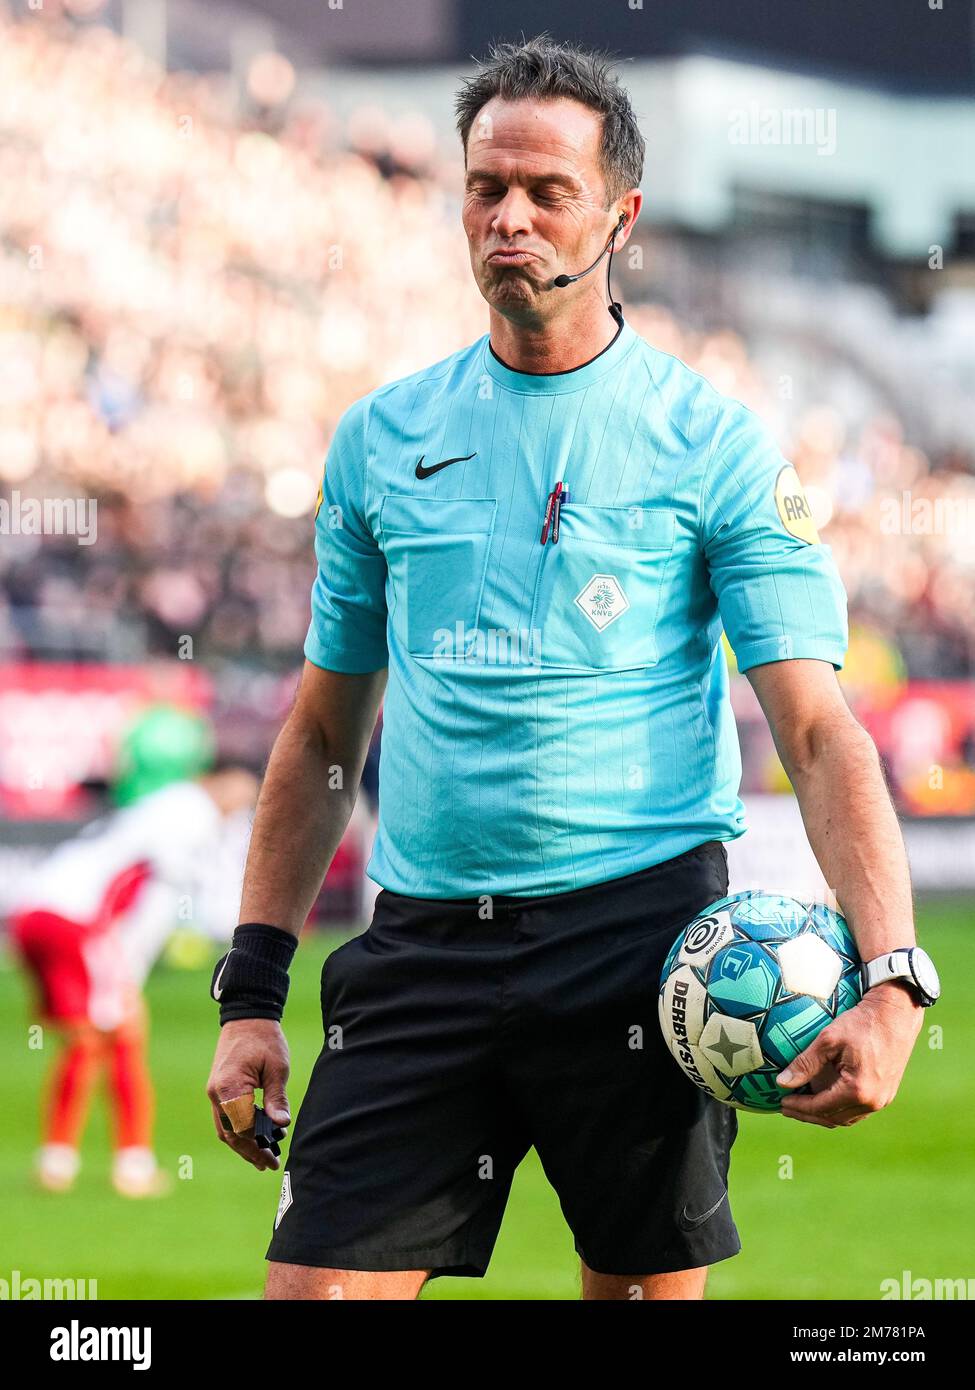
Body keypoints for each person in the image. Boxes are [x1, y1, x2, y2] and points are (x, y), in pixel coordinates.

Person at [206, 36, 935, 1300]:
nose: (511, 217)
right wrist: (251, 987)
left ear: (621, 216)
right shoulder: (380, 441)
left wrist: (892, 977)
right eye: (488, 186)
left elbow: (820, 734)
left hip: (641, 945)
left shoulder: (715, 445)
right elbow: (325, 736)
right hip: (425, 942)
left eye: (549, 192)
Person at [13, 756, 257, 1197]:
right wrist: (121, 967)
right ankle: (130, 1165)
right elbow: (136, 890)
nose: (239, 802)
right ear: (212, 780)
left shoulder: (163, 808)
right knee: (118, 1034)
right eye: (236, 790)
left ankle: (60, 1161)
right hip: (80, 922)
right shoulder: (191, 817)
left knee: (87, 1041)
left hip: (38, 912)